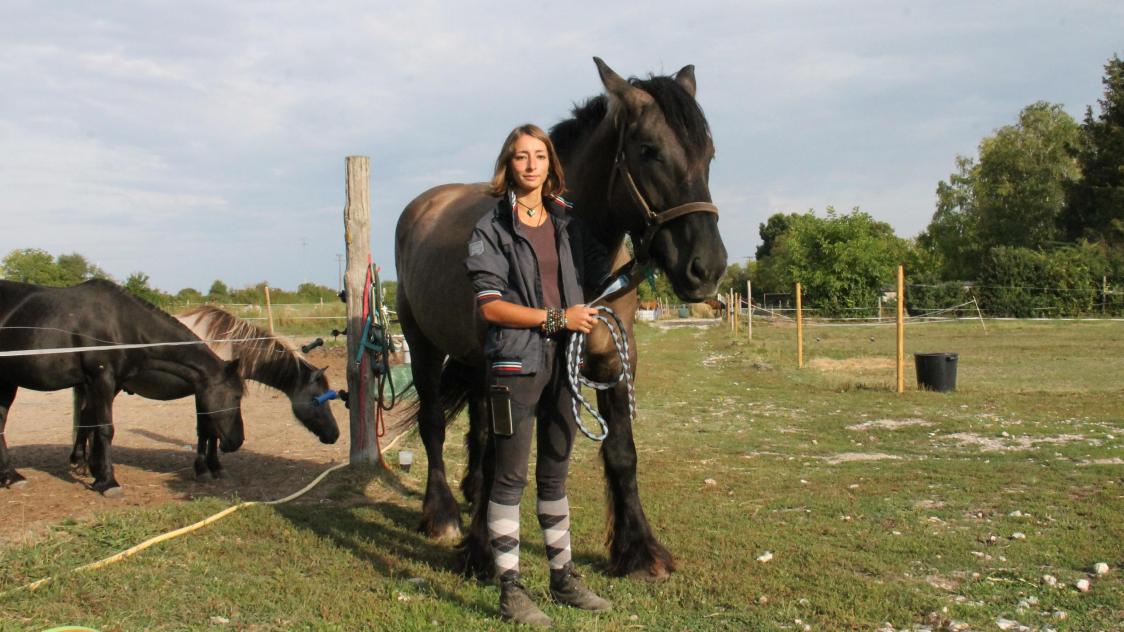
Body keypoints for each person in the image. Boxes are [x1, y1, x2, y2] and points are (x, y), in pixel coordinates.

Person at [464, 124, 613, 626]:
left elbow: (597, 274)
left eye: (540, 155)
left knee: (556, 472)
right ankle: (510, 589)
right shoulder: (491, 229)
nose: (531, 164)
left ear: (552, 164)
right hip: (515, 364)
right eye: (521, 156)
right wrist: (556, 319)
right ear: (508, 165)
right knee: (508, 477)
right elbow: (490, 307)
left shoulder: (567, 222)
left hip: (563, 364)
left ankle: (563, 576)